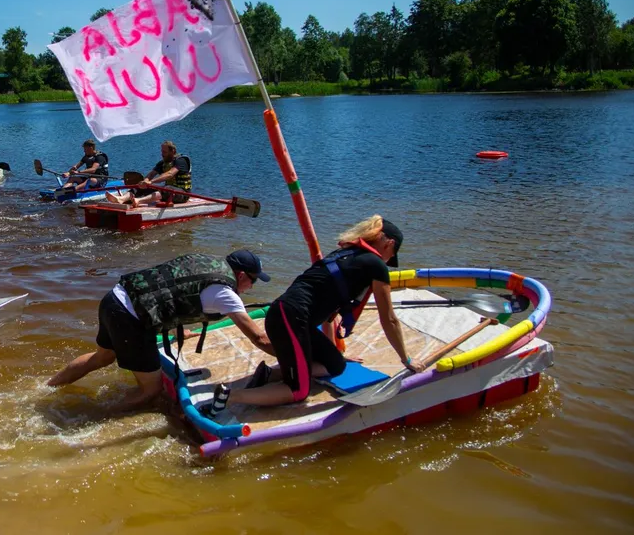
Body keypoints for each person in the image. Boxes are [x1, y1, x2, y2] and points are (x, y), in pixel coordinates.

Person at [202, 216, 414, 417]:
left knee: (336, 365)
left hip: (288, 316)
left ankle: (269, 374)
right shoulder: (375, 265)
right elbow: (389, 319)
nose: (388, 262)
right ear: (389, 244)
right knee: (298, 391)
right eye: (391, 256)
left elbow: (328, 315)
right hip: (291, 319)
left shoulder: (346, 255)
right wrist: (407, 359)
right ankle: (229, 396)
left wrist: (334, 350)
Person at [48, 250, 274, 410]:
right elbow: (259, 338)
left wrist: (178, 331)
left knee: (102, 357)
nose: (252, 287)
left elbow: (170, 289)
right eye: (253, 281)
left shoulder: (204, 261)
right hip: (130, 318)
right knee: (151, 391)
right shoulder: (226, 294)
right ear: (242, 275)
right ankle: (88, 415)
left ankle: (48, 388)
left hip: (115, 298)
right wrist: (292, 357)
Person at [105, 140, 191, 208]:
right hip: (169, 192)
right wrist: (145, 181)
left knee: (166, 188)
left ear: (173, 151)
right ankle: (121, 199)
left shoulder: (181, 161)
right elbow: (151, 174)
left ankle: (139, 201)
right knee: (140, 186)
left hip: (183, 194)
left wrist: (152, 182)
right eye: (162, 151)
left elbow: (170, 174)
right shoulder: (162, 163)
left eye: (164, 152)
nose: (162, 154)